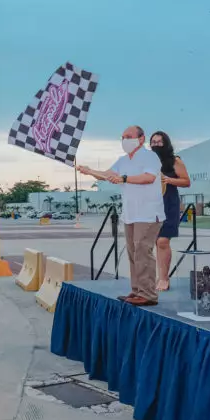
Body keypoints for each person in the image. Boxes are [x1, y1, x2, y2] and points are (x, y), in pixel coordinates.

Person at [78, 125, 165, 306]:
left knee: (143, 252)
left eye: (129, 136)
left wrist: (124, 179)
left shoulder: (150, 157)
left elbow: (148, 178)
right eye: (123, 137)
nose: (125, 140)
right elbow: (107, 175)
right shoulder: (122, 160)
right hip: (131, 214)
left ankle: (148, 294)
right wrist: (90, 171)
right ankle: (137, 291)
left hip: (148, 213)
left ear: (141, 139)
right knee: (133, 253)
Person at [150, 131, 191, 291]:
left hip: (169, 204)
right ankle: (154, 277)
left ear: (166, 143)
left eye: (159, 142)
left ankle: (164, 278)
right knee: (153, 242)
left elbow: (186, 182)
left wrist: (168, 180)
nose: (155, 145)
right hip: (150, 205)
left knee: (163, 241)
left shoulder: (175, 160)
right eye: (153, 142)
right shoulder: (147, 162)